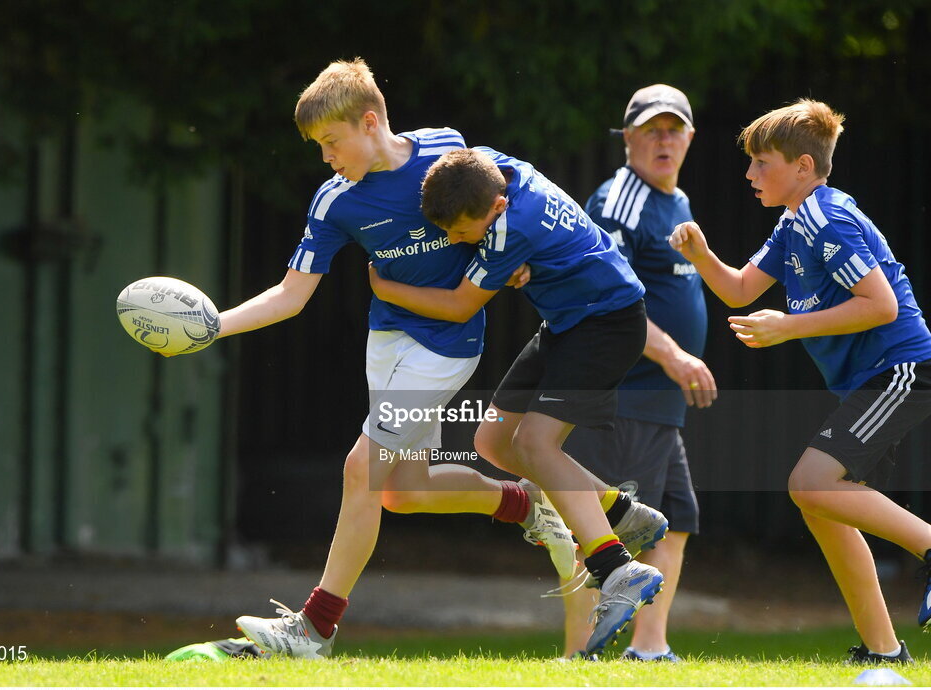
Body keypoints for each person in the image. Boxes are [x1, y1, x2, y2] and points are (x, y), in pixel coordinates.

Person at [214, 58, 583, 660]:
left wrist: (514, 261)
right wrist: (215, 327)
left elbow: (503, 211)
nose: (326, 158)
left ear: (369, 122)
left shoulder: (447, 150)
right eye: (318, 148)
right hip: (386, 342)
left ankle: (314, 629)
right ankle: (523, 503)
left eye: (331, 143)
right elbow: (291, 294)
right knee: (401, 492)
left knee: (361, 470)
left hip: (445, 348)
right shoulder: (335, 202)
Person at [369, 146, 668, 656]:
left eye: (462, 232)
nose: (453, 241)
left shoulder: (511, 229)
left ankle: (617, 568)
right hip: (566, 322)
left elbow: (462, 304)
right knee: (493, 441)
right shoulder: (496, 168)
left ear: (497, 209)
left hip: (607, 324)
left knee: (535, 444)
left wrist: (386, 288)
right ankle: (620, 511)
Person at [668, 99, 931, 664]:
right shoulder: (794, 223)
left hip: (903, 369)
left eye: (762, 163)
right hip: (871, 378)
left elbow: (880, 306)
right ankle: (884, 653)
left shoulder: (826, 218)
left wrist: (787, 326)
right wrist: (701, 254)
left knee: (810, 484)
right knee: (821, 502)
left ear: (804, 168)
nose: (749, 174)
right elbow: (740, 288)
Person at [561, 84, 715, 661]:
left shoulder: (676, 201)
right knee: (599, 532)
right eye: (651, 129)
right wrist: (675, 356)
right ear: (626, 138)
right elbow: (608, 299)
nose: (664, 140)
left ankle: (649, 651)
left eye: (674, 129)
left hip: (658, 406)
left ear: (690, 137)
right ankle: (581, 657)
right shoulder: (622, 198)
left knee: (671, 525)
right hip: (623, 399)